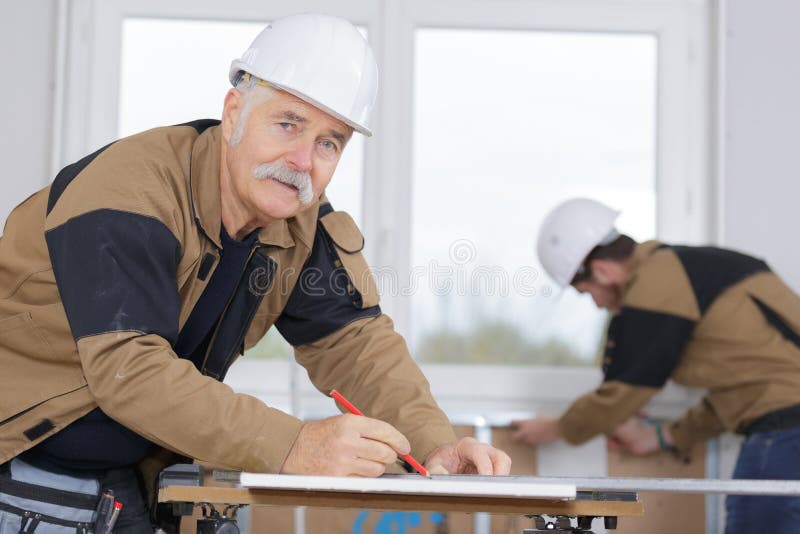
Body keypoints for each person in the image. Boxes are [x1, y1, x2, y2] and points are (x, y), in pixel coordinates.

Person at [0, 14, 510, 533]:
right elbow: (129, 369)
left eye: (328, 142)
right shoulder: (130, 191)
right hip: (24, 462)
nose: (302, 160)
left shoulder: (300, 223)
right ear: (234, 111)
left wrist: (435, 444)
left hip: (126, 472)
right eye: (288, 124)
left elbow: (358, 347)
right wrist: (294, 446)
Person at [511, 197, 800, 533]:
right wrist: (660, 436)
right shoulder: (690, 271)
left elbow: (626, 389)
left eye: (585, 292)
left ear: (602, 271)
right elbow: (749, 389)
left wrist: (558, 428)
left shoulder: (656, 281)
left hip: (783, 437)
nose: (597, 305)